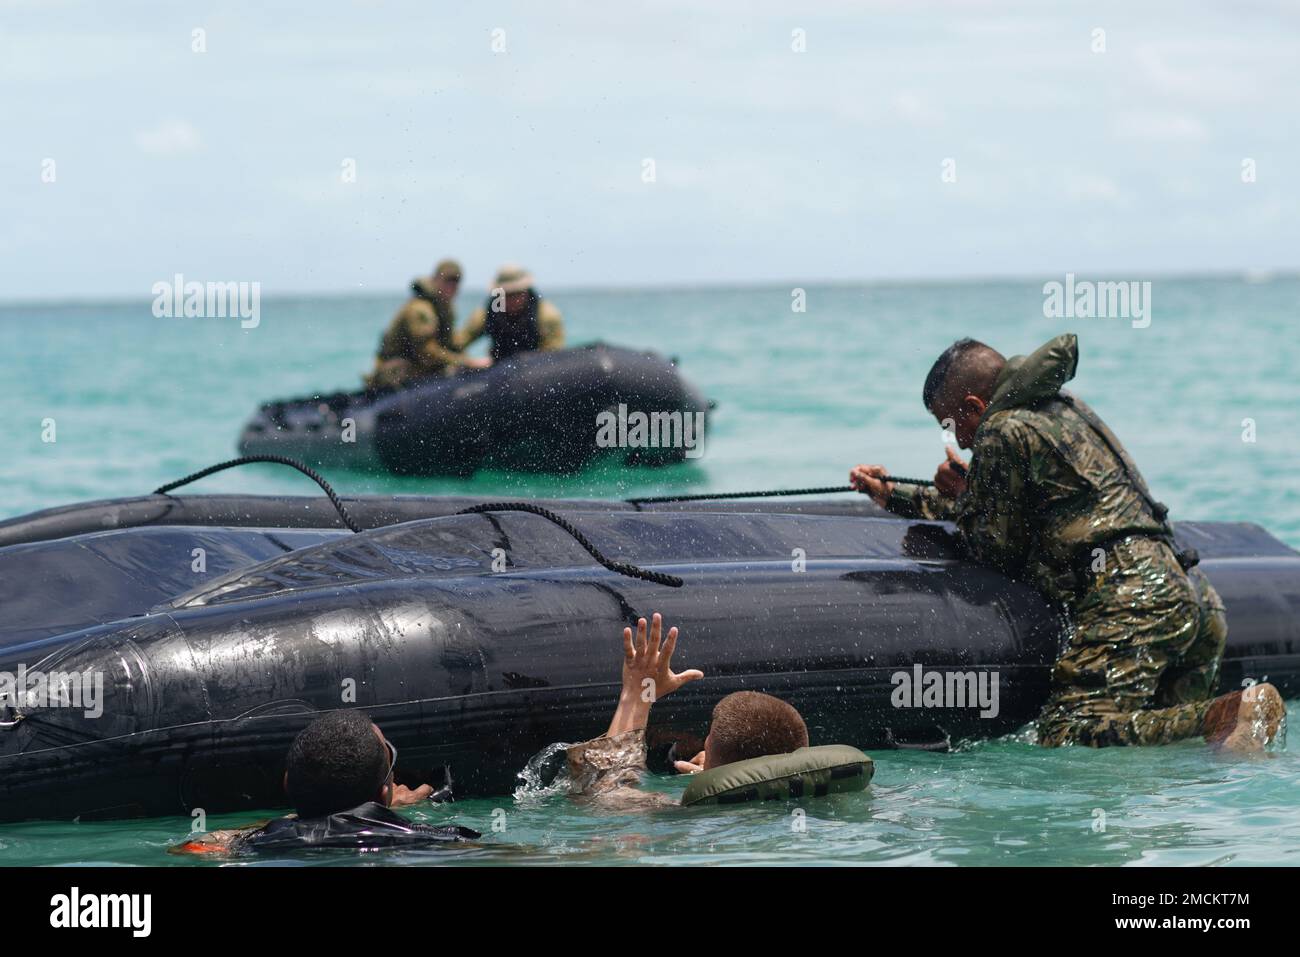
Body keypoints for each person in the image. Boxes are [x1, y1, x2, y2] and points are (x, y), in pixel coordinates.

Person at [849, 333, 1284, 753]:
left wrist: (962, 499)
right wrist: (896, 495)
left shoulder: (1001, 429)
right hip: (1190, 594)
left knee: (1071, 729)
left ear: (973, 405)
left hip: (1130, 596)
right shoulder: (1064, 408)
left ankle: (1225, 713)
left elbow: (994, 551)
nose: (959, 440)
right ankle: (1223, 719)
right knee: (1161, 739)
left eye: (952, 424)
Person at [563, 613, 811, 808]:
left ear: (708, 745)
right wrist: (714, 772)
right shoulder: (811, 804)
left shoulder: (684, 814)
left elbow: (597, 792)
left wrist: (637, 696)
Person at [173, 710, 477, 854]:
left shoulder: (264, 842)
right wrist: (386, 813)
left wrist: (292, 818)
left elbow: (189, 848)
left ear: (287, 783)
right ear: (385, 792)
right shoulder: (442, 839)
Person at [366, 259, 489, 390]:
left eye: (456, 282)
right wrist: (467, 363)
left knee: (480, 319)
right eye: (448, 281)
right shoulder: (421, 309)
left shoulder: (445, 307)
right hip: (397, 373)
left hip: (422, 368)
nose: (452, 286)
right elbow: (427, 352)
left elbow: (450, 344)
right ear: (435, 280)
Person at [453, 263, 565, 364]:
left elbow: (554, 358)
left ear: (526, 291)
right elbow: (457, 344)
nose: (512, 299)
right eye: (506, 295)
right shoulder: (487, 313)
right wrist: (467, 361)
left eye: (517, 293)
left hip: (534, 371)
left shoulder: (546, 315)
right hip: (498, 371)